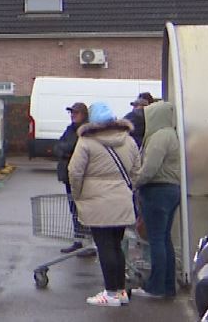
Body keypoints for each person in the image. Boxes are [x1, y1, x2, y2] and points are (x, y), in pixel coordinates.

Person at [68, 102, 142, 307]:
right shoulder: (128, 140)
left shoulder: (86, 141)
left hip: (96, 202)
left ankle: (110, 293)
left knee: (105, 247)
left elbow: (75, 172)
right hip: (122, 200)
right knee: (116, 246)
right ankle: (120, 291)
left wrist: (78, 194)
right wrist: (127, 190)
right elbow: (137, 172)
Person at [132, 100, 182, 300]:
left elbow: (150, 168)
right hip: (170, 190)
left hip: (157, 191)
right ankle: (168, 285)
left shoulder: (159, 137)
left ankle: (155, 287)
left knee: (156, 240)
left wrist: (135, 182)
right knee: (164, 239)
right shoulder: (170, 134)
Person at [55, 102, 90, 253]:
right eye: (71, 113)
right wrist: (65, 151)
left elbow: (74, 148)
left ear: (84, 115)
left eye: (76, 113)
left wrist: (66, 150)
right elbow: (58, 147)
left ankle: (86, 242)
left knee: (82, 210)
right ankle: (78, 240)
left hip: (81, 177)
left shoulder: (86, 131)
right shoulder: (70, 129)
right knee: (74, 210)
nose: (73, 115)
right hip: (68, 175)